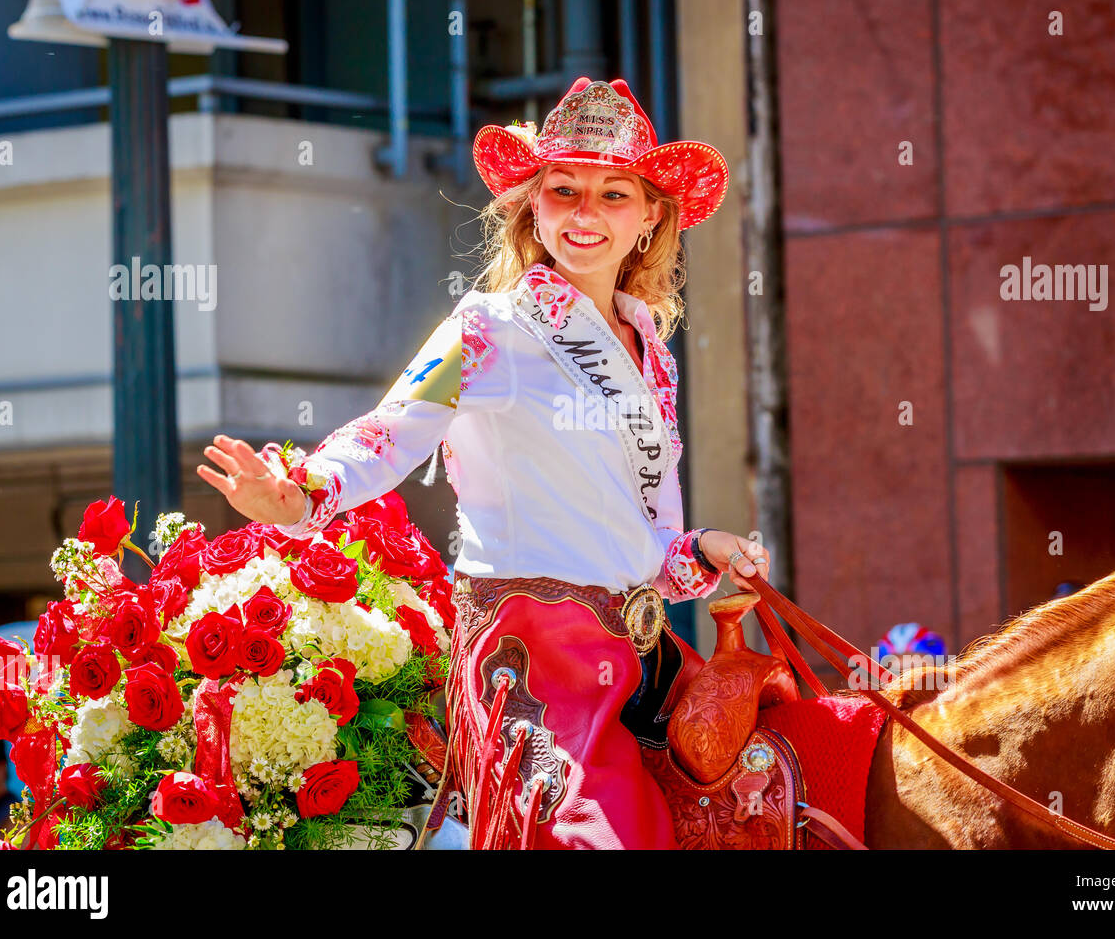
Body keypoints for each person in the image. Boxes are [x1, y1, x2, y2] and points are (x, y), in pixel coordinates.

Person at [196, 77, 770, 849]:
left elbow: (647, 543)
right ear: (533, 205)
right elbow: (391, 431)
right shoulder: (487, 330)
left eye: (612, 193)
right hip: (534, 657)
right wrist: (299, 495)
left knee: (774, 786)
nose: (585, 213)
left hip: (642, 653)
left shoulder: (650, 355)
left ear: (650, 217)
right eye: (563, 189)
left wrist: (702, 549)